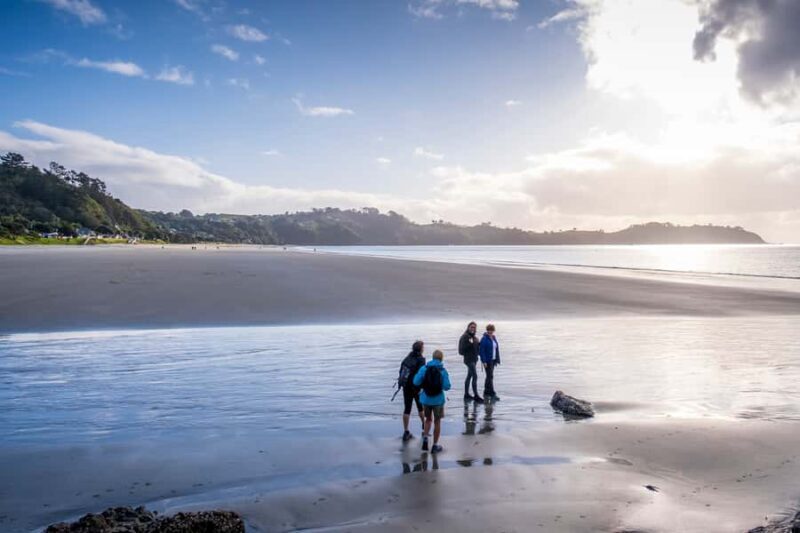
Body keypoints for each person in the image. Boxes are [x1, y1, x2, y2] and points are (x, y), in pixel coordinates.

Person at [413, 349, 451, 453]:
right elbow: (447, 387)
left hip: (426, 399)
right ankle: (435, 445)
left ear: (433, 357)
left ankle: (425, 438)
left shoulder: (424, 368)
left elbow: (415, 382)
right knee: (437, 422)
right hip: (438, 400)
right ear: (441, 358)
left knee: (428, 419)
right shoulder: (442, 370)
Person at [398, 340, 426, 441]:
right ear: (421, 349)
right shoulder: (421, 359)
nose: (424, 349)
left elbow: (400, 371)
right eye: (423, 347)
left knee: (407, 408)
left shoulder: (407, 358)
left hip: (406, 387)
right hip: (416, 387)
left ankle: (406, 431)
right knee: (420, 408)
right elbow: (422, 374)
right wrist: (422, 387)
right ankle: (424, 426)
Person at [458, 321, 484, 403]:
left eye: (474, 327)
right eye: (471, 327)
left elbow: (477, 348)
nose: (473, 328)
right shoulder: (465, 337)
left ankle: (466, 395)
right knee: (475, 376)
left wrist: (479, 344)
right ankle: (476, 395)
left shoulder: (474, 337)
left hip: (474, 360)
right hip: (468, 360)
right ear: (468, 327)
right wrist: (470, 344)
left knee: (469, 376)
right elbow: (461, 351)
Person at [479, 324, 501, 402]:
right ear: (487, 330)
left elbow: (496, 349)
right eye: (488, 330)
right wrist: (484, 361)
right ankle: (492, 393)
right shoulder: (484, 339)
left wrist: (497, 360)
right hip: (487, 361)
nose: (490, 331)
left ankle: (486, 392)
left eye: (491, 330)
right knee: (490, 376)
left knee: (489, 377)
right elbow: (481, 351)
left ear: (493, 330)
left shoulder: (494, 338)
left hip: (493, 360)